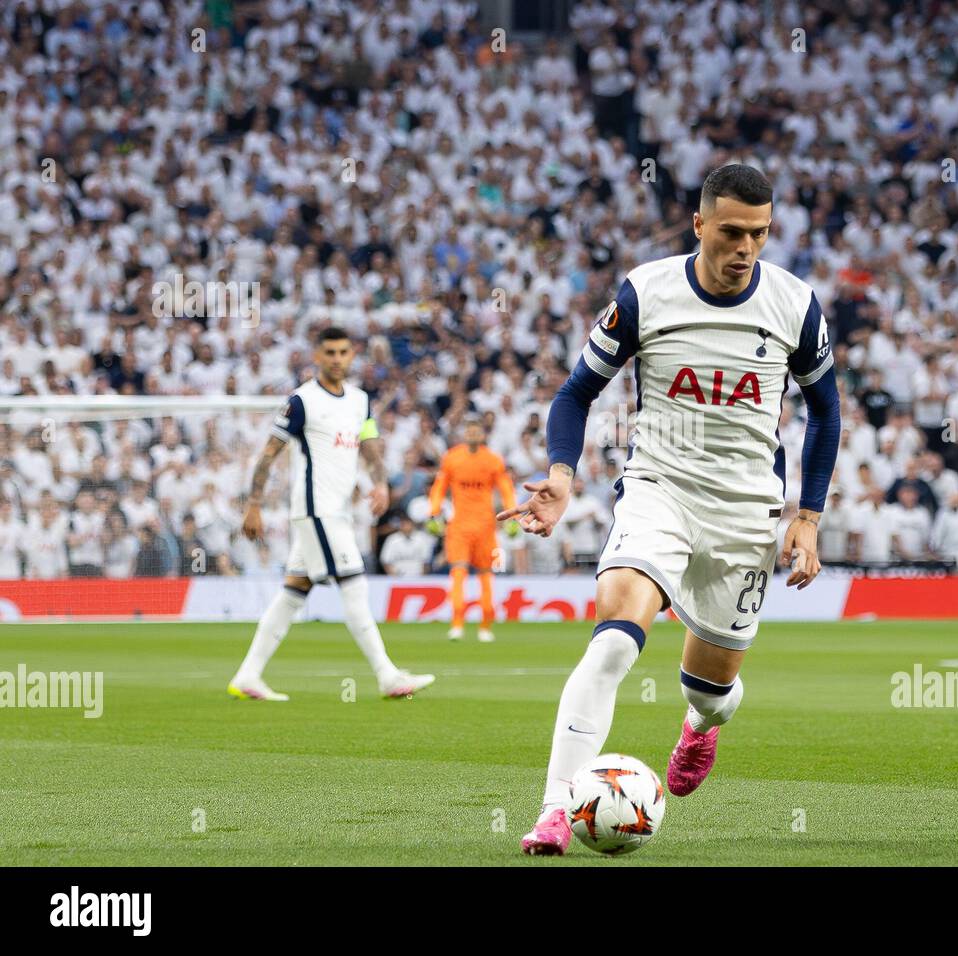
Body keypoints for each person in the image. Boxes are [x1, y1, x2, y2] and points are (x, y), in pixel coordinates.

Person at [498, 165, 840, 855]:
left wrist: (810, 514)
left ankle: (702, 725)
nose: (746, 247)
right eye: (733, 232)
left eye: (760, 233)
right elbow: (574, 394)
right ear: (700, 225)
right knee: (616, 639)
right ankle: (555, 810)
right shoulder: (646, 292)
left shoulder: (794, 304)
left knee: (711, 690)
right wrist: (562, 474)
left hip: (747, 513)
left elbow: (825, 409)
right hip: (659, 490)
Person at [227, 327, 433, 701]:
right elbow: (269, 452)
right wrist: (253, 504)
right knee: (355, 586)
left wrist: (381, 484)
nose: (337, 359)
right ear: (317, 357)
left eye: (343, 352)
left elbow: (369, 447)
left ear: (352, 355)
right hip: (316, 509)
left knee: (293, 593)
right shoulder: (302, 401)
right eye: (330, 353)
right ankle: (387, 675)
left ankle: (247, 675)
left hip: (337, 511)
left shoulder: (359, 400)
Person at [427, 417, 518, 642]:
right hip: (458, 526)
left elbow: (505, 487)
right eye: (470, 431)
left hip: (486, 526)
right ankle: (457, 624)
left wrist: (512, 514)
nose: (473, 435)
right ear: (465, 433)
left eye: (477, 432)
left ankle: (485, 626)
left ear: (483, 435)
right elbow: (440, 485)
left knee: (486, 575)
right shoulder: (452, 457)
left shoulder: (493, 460)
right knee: (458, 572)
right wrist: (433, 512)